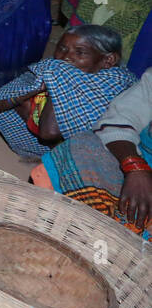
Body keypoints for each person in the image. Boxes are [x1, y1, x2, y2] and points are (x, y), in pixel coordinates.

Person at [32, 64, 152, 239]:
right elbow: (117, 120)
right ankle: (74, 236)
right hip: (140, 163)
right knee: (82, 147)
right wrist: (135, 167)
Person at [0, 26, 134, 158]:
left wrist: (57, 84)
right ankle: (47, 155)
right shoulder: (50, 69)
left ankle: (62, 161)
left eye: (80, 52)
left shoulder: (114, 84)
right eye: (62, 48)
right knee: (26, 102)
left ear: (108, 60)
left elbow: (49, 132)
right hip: (49, 135)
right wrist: (22, 97)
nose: (66, 57)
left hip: (92, 155)